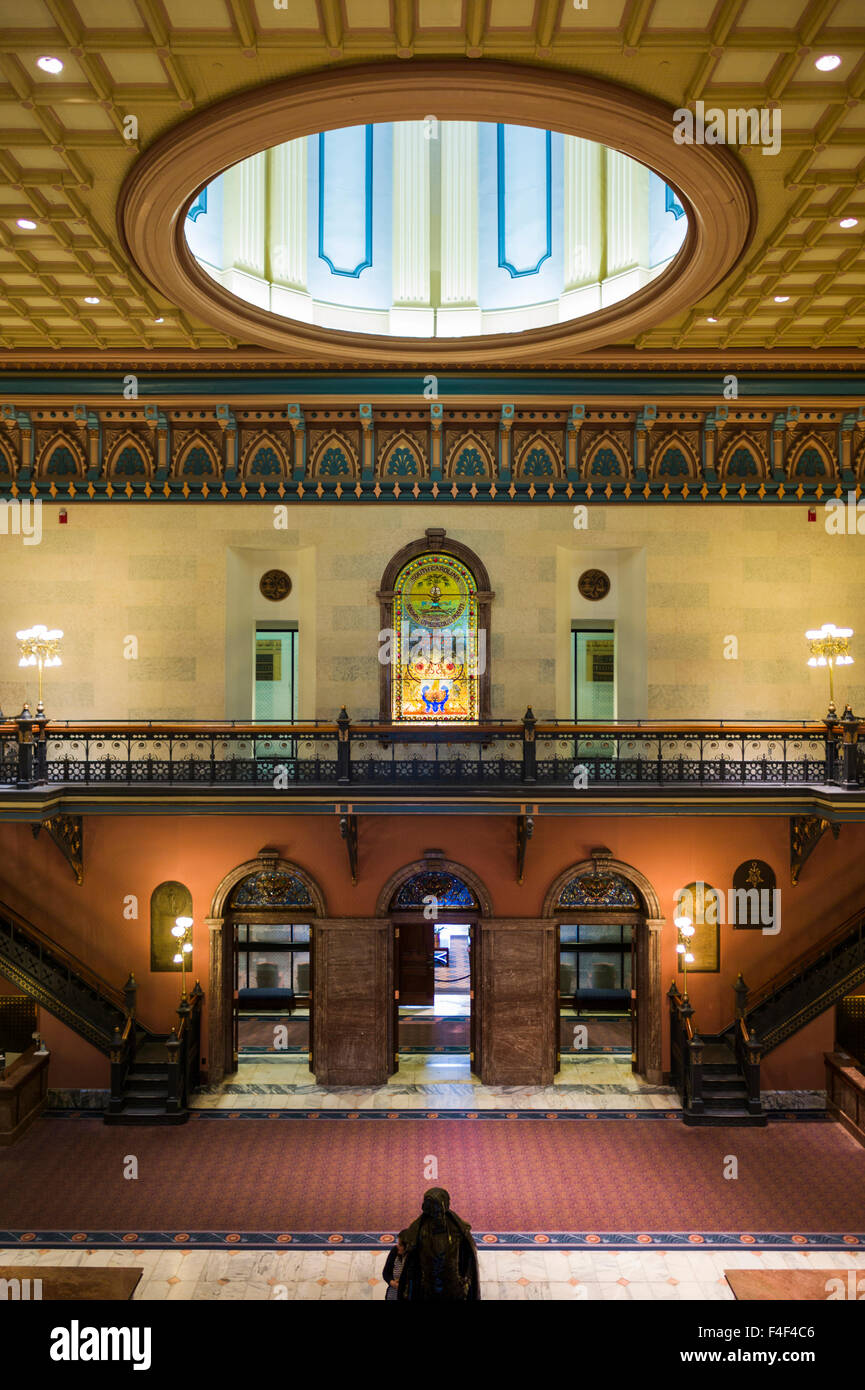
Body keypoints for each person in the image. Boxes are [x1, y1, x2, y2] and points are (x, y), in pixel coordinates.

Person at [397, 1187, 481, 1300]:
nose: (439, 1214)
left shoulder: (458, 1230)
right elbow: (412, 1263)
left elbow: (469, 1258)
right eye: (435, 1210)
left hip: (454, 1289)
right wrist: (408, 1288)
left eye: (441, 1210)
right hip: (427, 1290)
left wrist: (466, 1282)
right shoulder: (419, 1231)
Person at [382, 1231, 409, 1301]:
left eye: (400, 1244)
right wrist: (392, 1283)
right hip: (393, 1294)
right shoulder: (395, 1251)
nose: (397, 1246)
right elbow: (385, 1273)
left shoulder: (413, 1260)